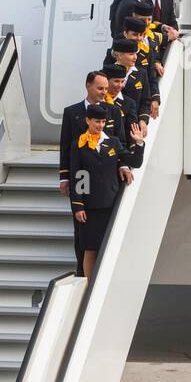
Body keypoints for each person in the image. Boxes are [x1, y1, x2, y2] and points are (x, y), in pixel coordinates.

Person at [68, 103, 141, 278]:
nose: (100, 125)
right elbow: (78, 176)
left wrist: (138, 143)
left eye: (102, 122)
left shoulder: (113, 142)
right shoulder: (79, 144)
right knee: (90, 249)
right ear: (87, 121)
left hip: (111, 203)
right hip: (91, 207)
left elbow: (134, 162)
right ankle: (88, 284)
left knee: (110, 247)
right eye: (96, 122)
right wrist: (78, 206)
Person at [58, 70, 110, 196]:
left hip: (106, 176)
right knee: (80, 212)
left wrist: (123, 166)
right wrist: (64, 177)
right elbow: (65, 145)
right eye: (100, 88)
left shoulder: (113, 111)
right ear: (88, 86)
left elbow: (120, 141)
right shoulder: (71, 112)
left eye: (106, 88)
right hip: (81, 173)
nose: (104, 92)